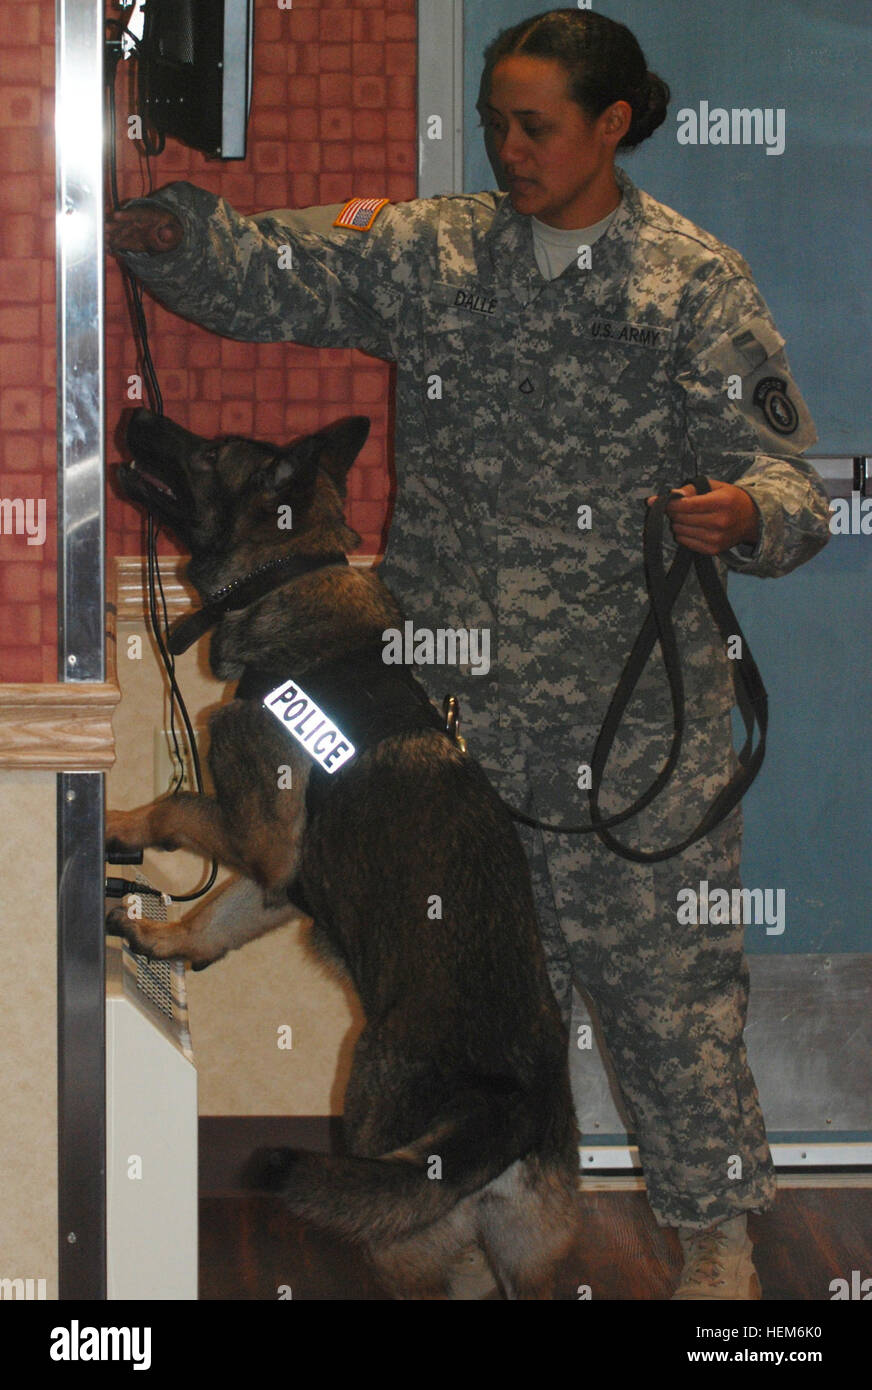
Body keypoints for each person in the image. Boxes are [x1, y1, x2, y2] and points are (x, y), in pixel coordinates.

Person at [109, 9, 831, 1299]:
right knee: (471, 1034)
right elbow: (278, 276)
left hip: (632, 740)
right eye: (494, 119)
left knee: (669, 1016)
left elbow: (789, 482)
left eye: (534, 124)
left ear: (613, 125)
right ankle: (475, 1265)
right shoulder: (436, 252)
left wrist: (750, 515)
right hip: (450, 737)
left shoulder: (693, 283)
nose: (506, 146)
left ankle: (718, 1262)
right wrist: (177, 235)